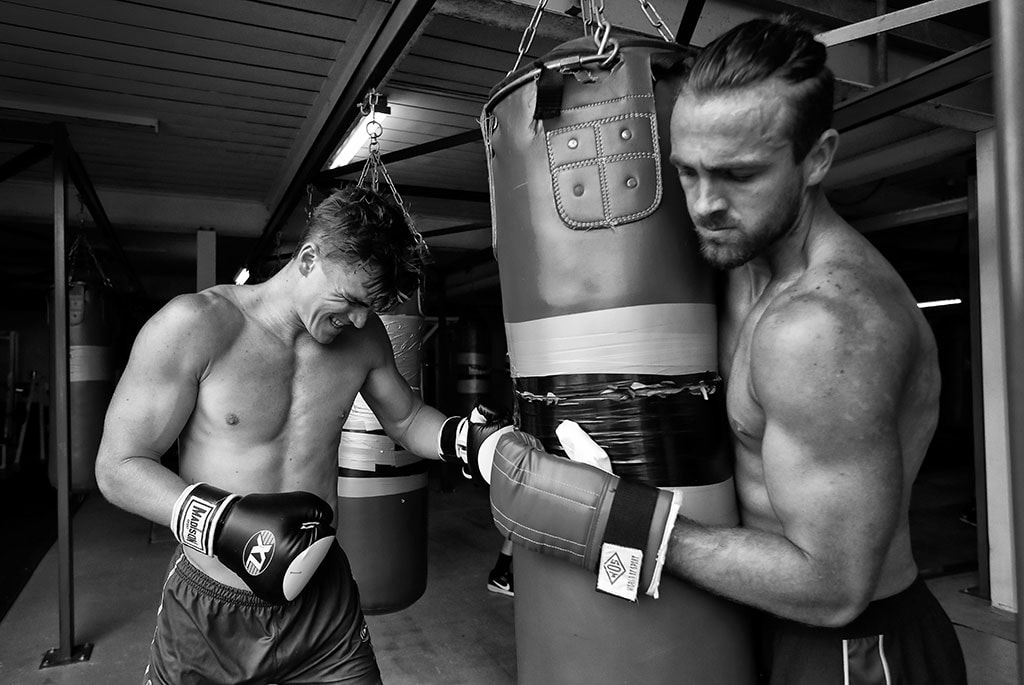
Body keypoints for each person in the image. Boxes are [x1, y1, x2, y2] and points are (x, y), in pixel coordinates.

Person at [487, 16, 968, 685]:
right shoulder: (734, 266)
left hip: (851, 652)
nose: (705, 204)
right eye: (687, 171)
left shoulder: (824, 326)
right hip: (752, 625)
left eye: (739, 174)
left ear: (818, 157)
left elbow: (834, 587)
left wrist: (616, 519)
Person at [95, 185, 502, 685]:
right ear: (308, 259)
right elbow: (118, 466)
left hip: (321, 605)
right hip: (210, 610)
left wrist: (468, 440)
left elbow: (405, 418)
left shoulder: (364, 336)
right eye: (352, 300)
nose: (358, 319)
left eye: (369, 307)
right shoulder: (196, 326)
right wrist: (221, 524)